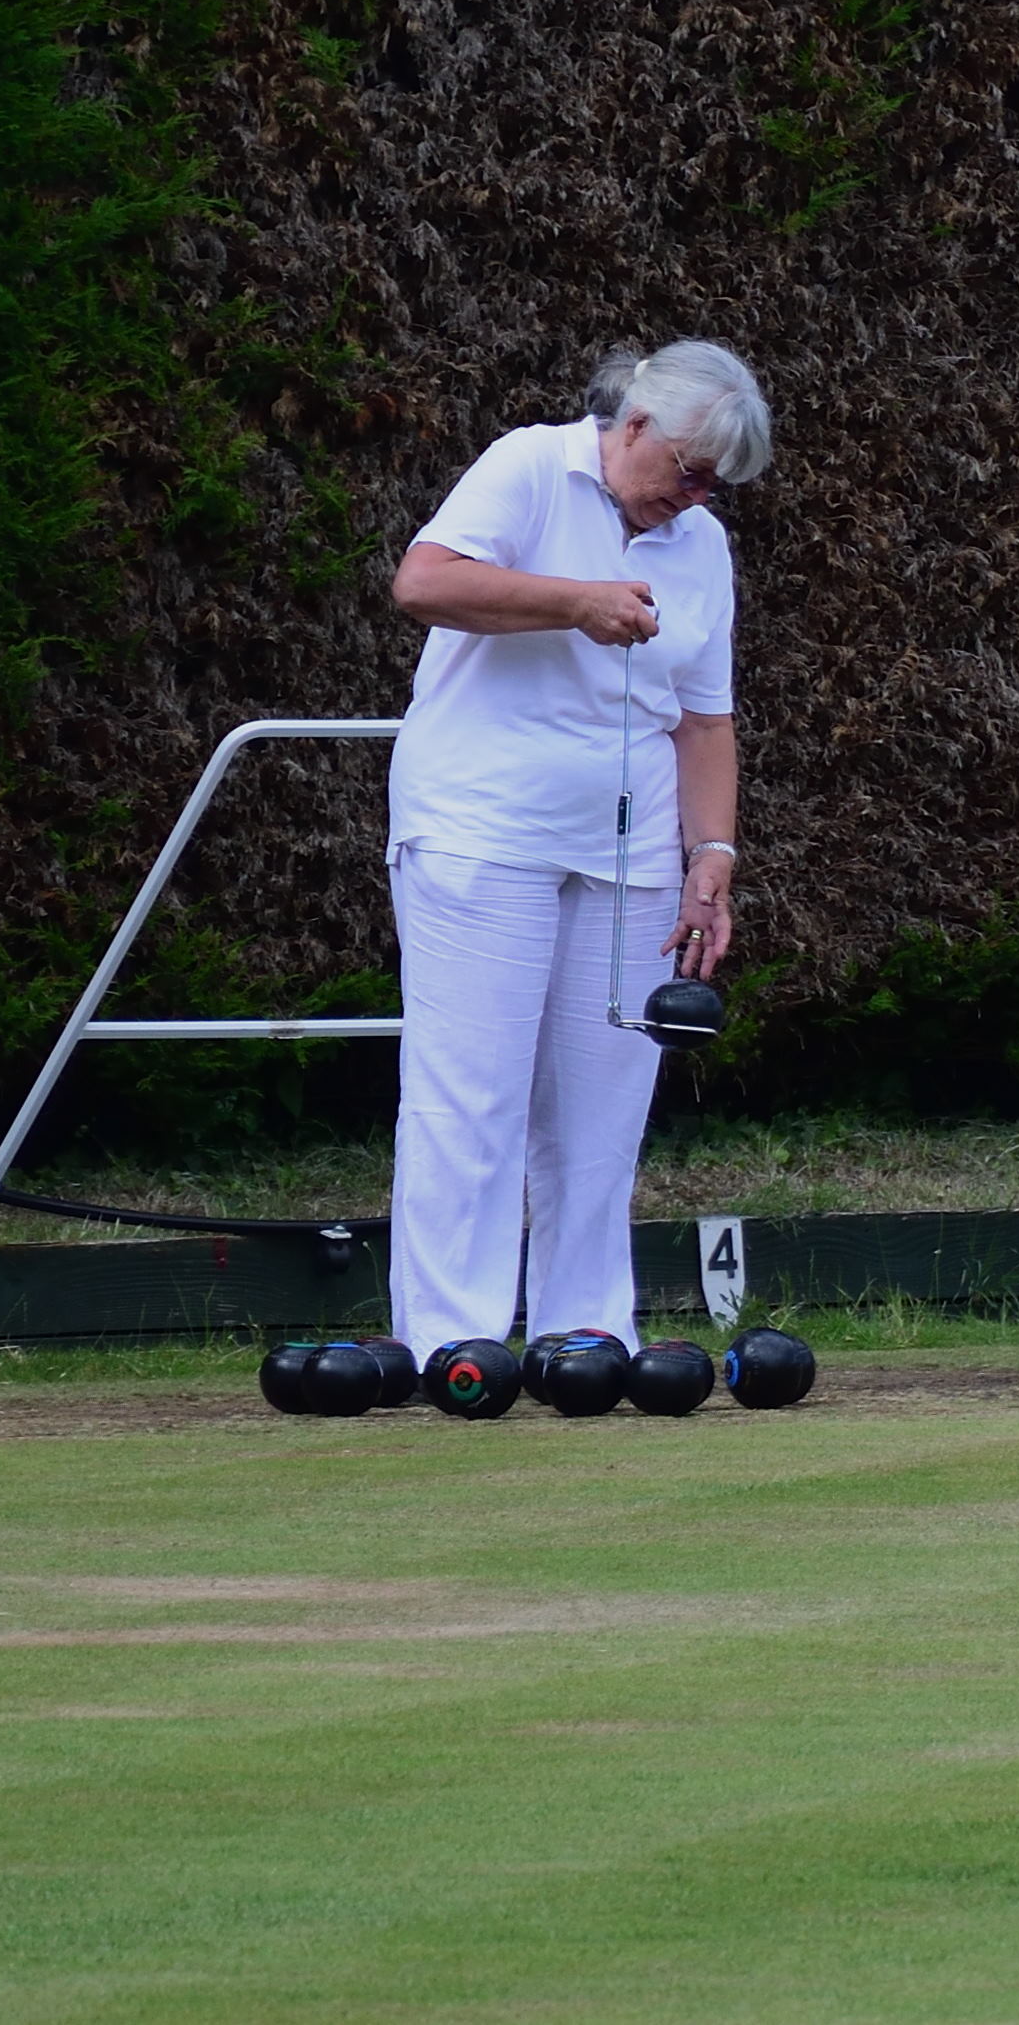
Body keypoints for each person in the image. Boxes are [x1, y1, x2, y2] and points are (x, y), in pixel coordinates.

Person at [380, 341, 769, 1357]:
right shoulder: (528, 465)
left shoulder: (701, 548)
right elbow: (422, 581)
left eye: (712, 485)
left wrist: (711, 854)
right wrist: (573, 600)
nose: (689, 499)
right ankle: (453, 1345)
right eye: (684, 473)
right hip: (479, 828)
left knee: (600, 1110)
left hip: (628, 855)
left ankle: (585, 1334)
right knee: (473, 1095)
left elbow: (704, 721)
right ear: (633, 424)